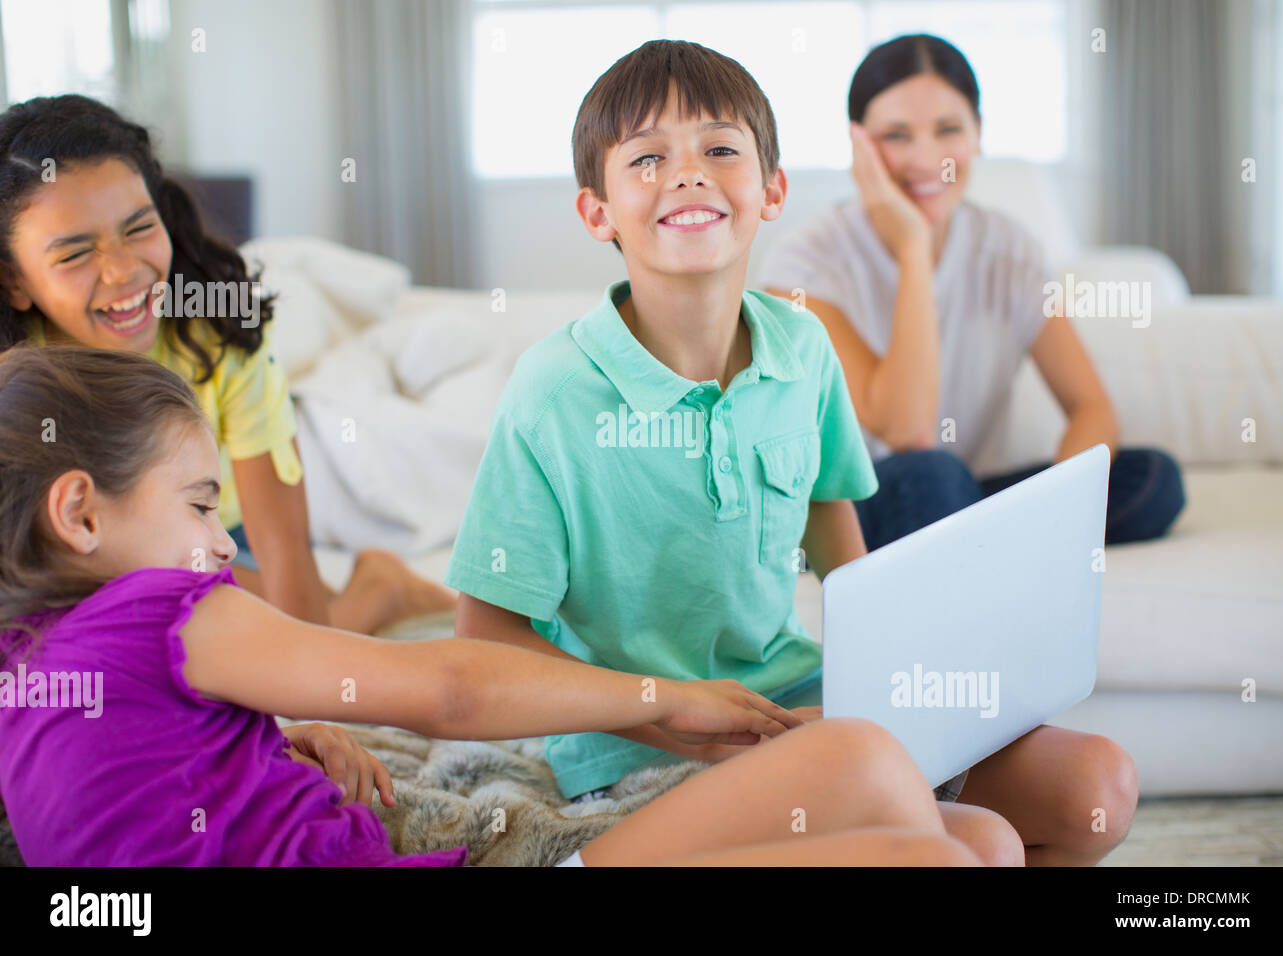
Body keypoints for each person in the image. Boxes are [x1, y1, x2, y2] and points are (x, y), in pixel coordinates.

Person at [445, 39, 1137, 866]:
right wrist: (660, 705)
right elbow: (482, 639)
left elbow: (838, 541)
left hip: (802, 713)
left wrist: (877, 691)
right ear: (598, 211)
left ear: (771, 191)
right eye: (650, 157)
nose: (690, 173)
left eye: (721, 149)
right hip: (635, 753)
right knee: (979, 849)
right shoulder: (553, 392)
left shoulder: (802, 350)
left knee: (1099, 788)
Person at [0, 345, 981, 867]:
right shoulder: (166, 609)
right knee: (887, 791)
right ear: (81, 511)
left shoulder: (30, 660)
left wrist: (263, 746)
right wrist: (660, 698)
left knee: (974, 840)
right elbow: (452, 687)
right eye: (203, 504)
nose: (221, 543)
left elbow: (130, 797)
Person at [0, 94, 454, 635]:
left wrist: (308, 707)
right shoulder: (17, 376)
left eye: (139, 228)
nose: (124, 272)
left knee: (248, 635)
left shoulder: (219, 333)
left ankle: (375, 593)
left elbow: (283, 544)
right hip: (82, 555)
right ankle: (375, 591)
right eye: (75, 254)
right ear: (16, 283)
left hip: (215, 536)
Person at [761, 33, 1185, 551]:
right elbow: (907, 430)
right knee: (932, 474)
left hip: (962, 495)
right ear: (859, 147)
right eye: (896, 135)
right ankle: (991, 546)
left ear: (979, 134)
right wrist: (914, 249)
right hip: (852, 507)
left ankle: (981, 545)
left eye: (949, 130)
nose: (927, 158)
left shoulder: (1008, 248)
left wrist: (1063, 498)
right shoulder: (803, 262)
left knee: (1152, 479)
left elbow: (1090, 405)